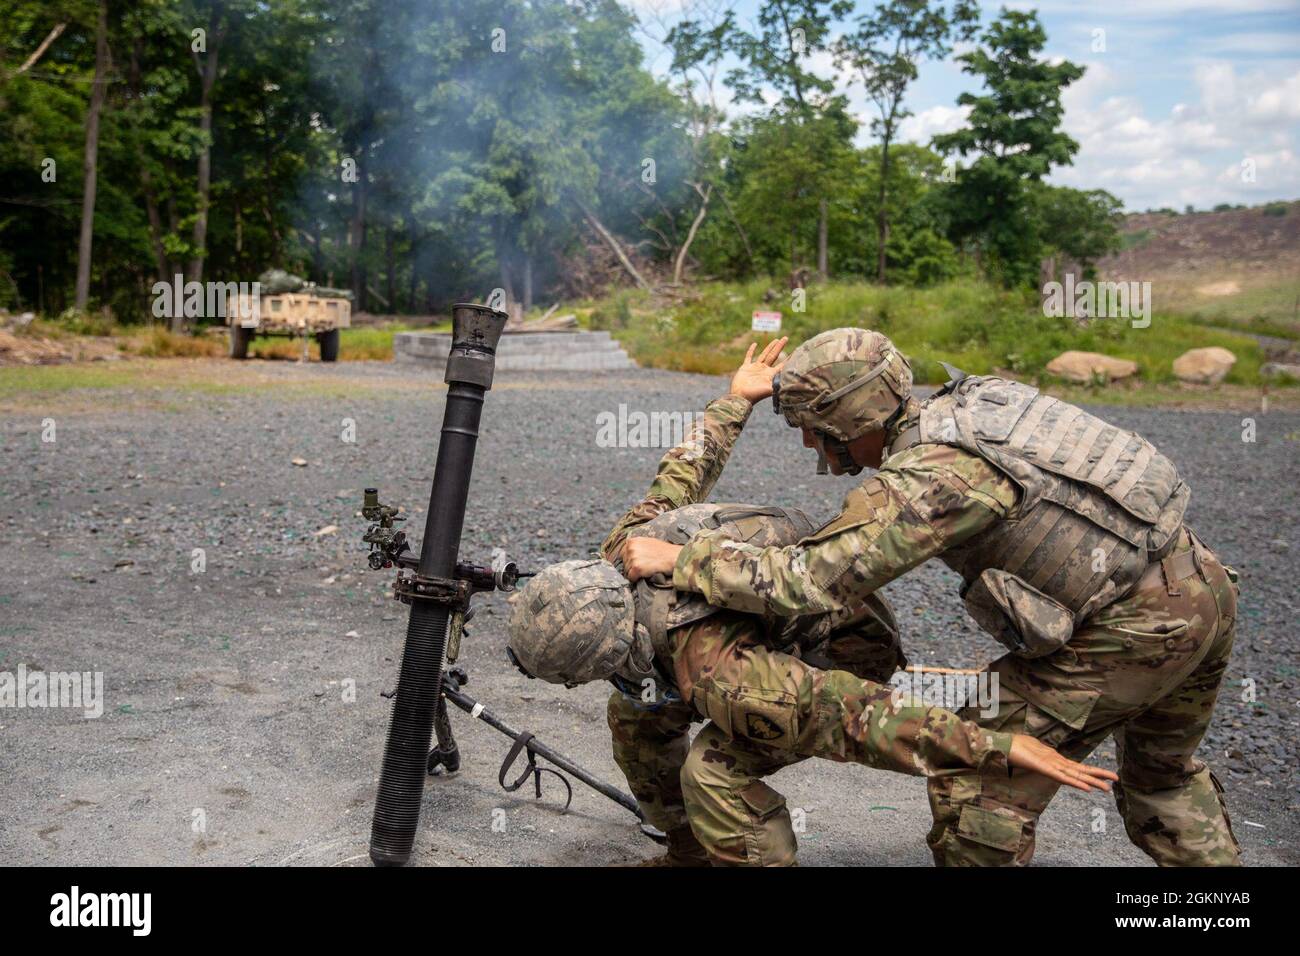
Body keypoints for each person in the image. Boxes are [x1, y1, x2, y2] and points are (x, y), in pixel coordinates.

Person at [622, 329, 1241, 867]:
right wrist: (736, 400)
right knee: (1162, 778)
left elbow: (808, 581)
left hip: (1129, 632)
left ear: (848, 422)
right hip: (1200, 588)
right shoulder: (974, 408)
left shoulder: (930, 477)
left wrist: (685, 559)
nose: (812, 449)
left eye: (814, 432)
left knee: (977, 778)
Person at [507, 338, 1118, 866]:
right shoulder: (623, 554)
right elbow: (681, 473)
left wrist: (993, 745)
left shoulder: (723, 674)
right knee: (637, 717)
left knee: (712, 774)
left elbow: (848, 711)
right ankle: (690, 855)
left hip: (840, 652)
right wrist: (737, 399)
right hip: (771, 618)